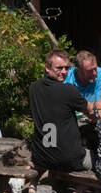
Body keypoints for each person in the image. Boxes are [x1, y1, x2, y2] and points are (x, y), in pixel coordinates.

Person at [29, 48, 94, 177]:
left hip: (41, 155)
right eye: (59, 68)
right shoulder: (69, 91)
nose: (64, 72)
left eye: (67, 68)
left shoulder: (34, 87)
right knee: (100, 159)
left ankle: (34, 187)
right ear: (47, 67)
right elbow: (91, 112)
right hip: (68, 160)